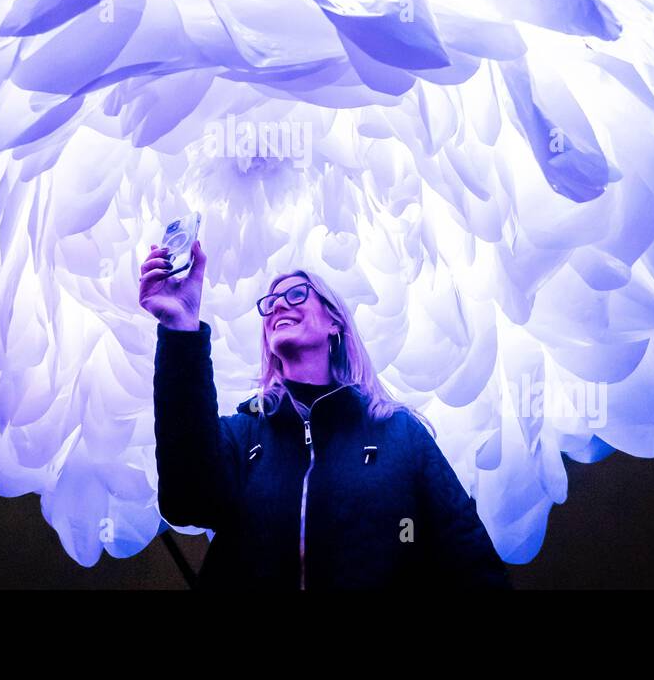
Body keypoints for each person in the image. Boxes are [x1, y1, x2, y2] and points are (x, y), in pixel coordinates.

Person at [141, 238, 511, 590]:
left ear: (334, 322)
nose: (279, 306)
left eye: (296, 294)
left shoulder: (401, 434)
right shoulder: (243, 436)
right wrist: (180, 327)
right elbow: (186, 499)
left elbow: (469, 560)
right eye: (270, 302)